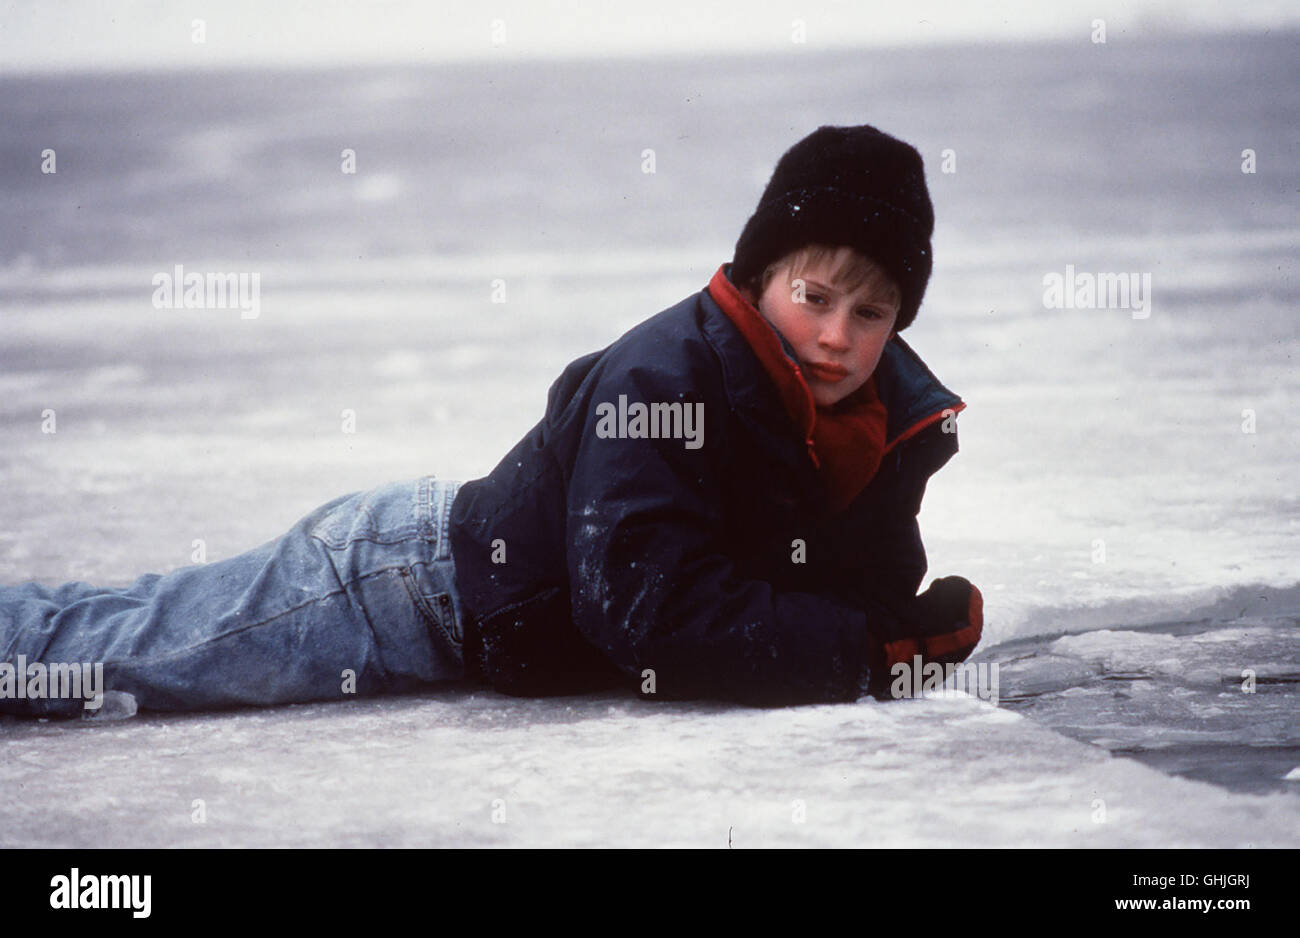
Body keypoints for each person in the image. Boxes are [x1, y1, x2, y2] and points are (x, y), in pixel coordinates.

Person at [0, 124, 982, 717]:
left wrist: (894, 628)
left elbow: (844, 580)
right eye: (815, 296)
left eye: (872, 311)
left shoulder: (875, 415)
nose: (838, 335)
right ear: (763, 272)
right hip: (401, 582)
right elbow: (644, 607)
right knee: (139, 643)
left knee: (138, 617)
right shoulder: (662, 380)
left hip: (466, 602)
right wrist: (862, 652)